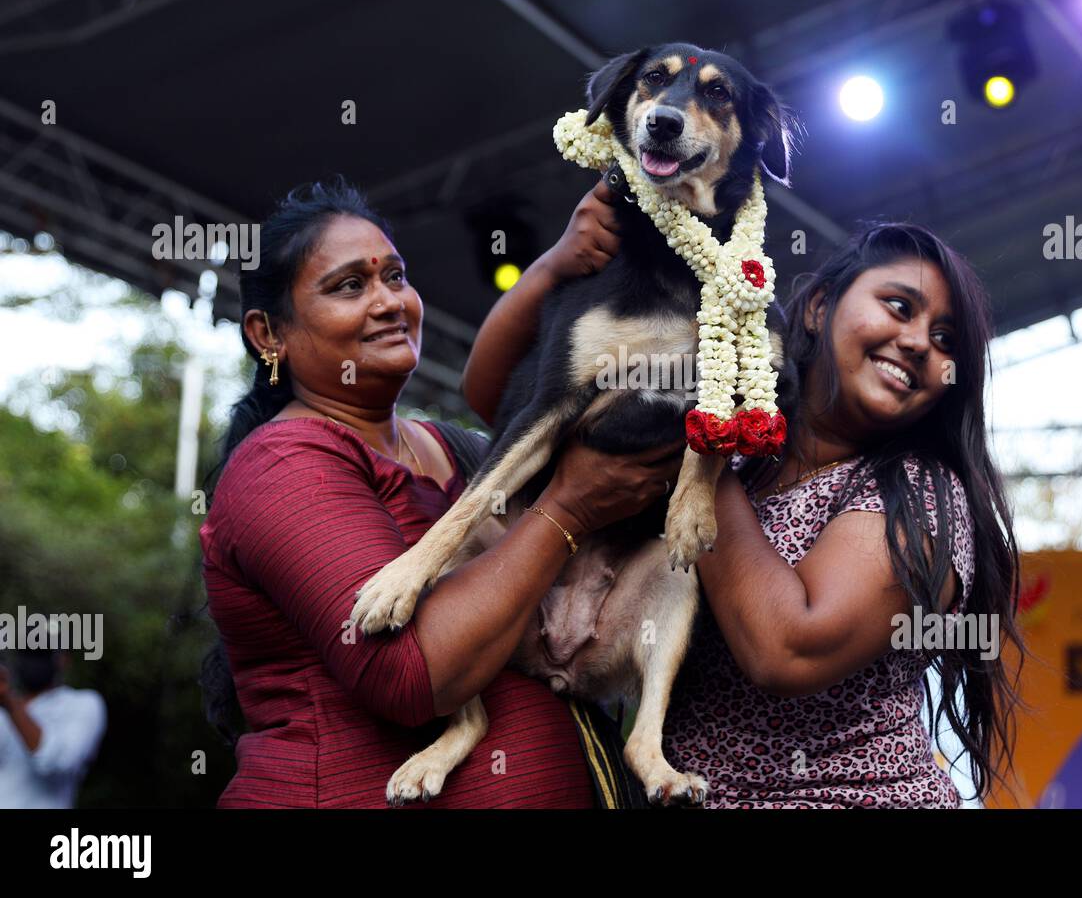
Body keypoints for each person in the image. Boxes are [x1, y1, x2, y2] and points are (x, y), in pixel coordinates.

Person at [466, 221, 1027, 808]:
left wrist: (701, 438)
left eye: (945, 340)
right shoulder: (747, 460)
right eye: (897, 306)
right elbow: (497, 398)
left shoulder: (920, 495)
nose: (918, 342)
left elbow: (786, 649)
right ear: (816, 308)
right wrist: (558, 262)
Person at [200, 177, 678, 808]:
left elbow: (528, 401)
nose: (389, 302)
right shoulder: (285, 465)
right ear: (268, 335)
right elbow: (406, 678)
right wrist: (567, 509)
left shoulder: (450, 447)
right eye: (350, 285)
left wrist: (560, 265)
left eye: (395, 278)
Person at [0, 647, 107, 808]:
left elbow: (56, 762)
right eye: (27, 653)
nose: (32, 662)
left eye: (41, 654)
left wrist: (9, 702)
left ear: (64, 658)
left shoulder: (82, 704)